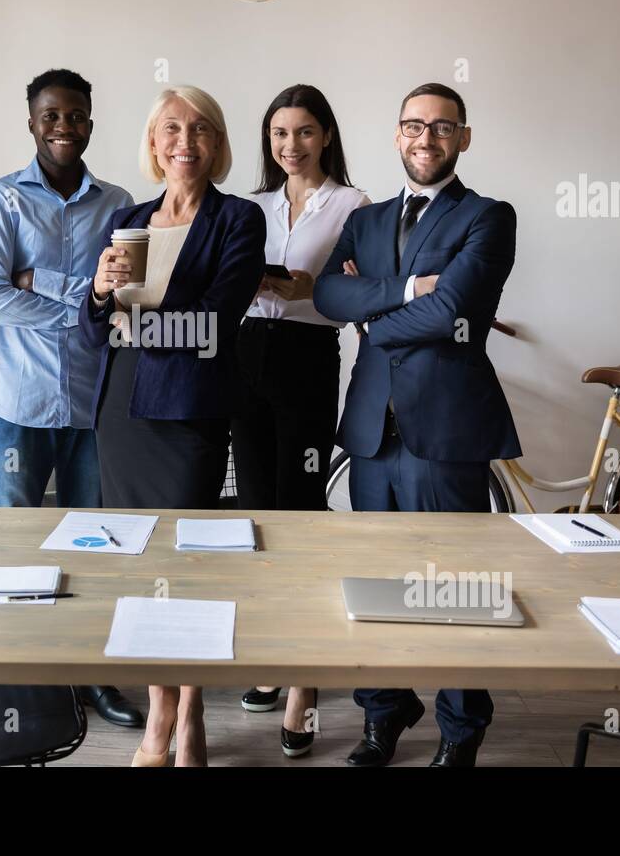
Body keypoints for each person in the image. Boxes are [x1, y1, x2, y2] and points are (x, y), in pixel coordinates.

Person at [314, 83, 521, 767]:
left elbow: (456, 311)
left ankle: (461, 731)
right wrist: (403, 293)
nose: (424, 139)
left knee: (458, 586)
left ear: (462, 138)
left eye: (440, 127)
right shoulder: (368, 220)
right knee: (376, 583)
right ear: (397, 134)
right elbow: (325, 293)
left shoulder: (488, 216)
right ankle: (384, 711)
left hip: (446, 431)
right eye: (412, 125)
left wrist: (372, 316)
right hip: (374, 432)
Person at [81, 86, 265, 766]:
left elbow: (218, 322)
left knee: (187, 564)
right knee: (137, 565)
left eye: (199, 129)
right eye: (169, 128)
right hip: (120, 411)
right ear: (153, 143)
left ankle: (192, 711)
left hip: (189, 410)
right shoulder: (128, 217)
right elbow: (90, 325)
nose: (183, 140)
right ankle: (159, 711)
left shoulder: (238, 219)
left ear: (216, 144)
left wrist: (137, 322)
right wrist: (100, 290)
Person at [0, 68, 142, 729]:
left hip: (95, 407)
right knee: (14, 544)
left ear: (91, 123)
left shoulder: (120, 204)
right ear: (32, 122)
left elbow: (125, 296)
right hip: (20, 408)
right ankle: (21, 682)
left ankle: (91, 675)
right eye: (51, 115)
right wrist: (83, 302)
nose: (64, 126)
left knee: (93, 546)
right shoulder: (2, 200)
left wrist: (39, 280)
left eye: (75, 115)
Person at [233, 85, 370, 757]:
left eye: (305, 132)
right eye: (280, 133)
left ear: (326, 137)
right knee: (257, 512)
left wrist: (306, 288)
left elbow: (358, 289)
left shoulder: (352, 204)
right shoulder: (250, 207)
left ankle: (304, 680)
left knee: (301, 508)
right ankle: (271, 650)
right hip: (247, 355)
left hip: (308, 357)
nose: (292, 145)